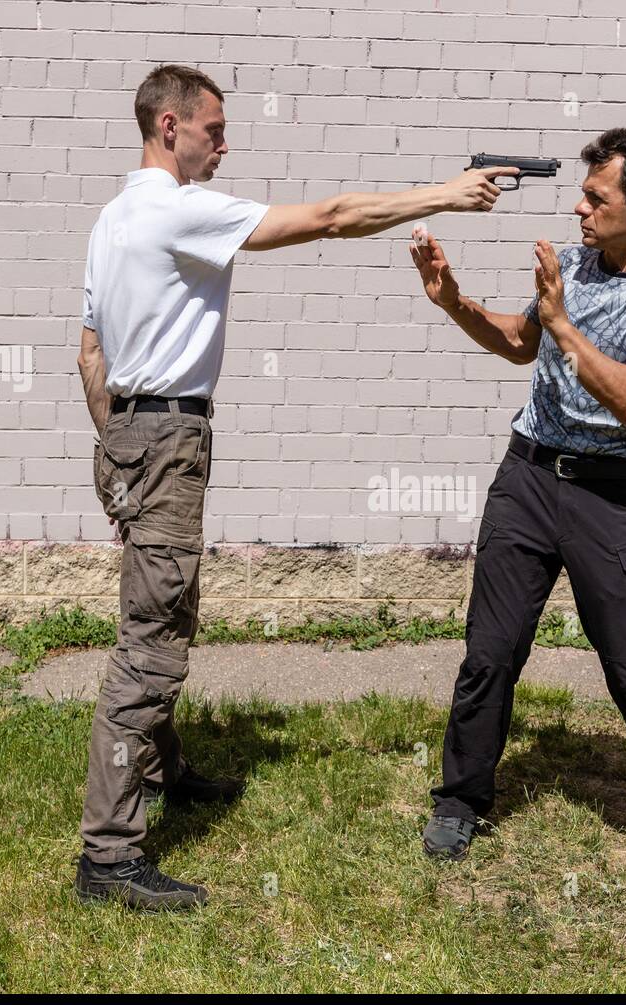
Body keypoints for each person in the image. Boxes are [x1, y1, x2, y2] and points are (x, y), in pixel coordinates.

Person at [75, 64, 513, 910]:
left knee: (164, 611)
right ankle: (108, 857)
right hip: (164, 439)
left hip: (130, 437)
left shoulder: (110, 219)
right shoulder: (178, 209)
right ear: (169, 126)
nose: (224, 144)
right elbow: (335, 217)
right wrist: (446, 195)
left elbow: (89, 352)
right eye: (213, 129)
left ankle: (163, 772)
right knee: (151, 646)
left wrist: (119, 449)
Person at [409, 127, 626, 874]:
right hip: (526, 478)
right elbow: (522, 342)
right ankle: (459, 800)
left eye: (596, 197)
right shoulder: (576, 268)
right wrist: (452, 299)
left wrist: (560, 320)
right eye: (583, 195)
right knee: (490, 651)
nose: (579, 209)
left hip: (607, 494)